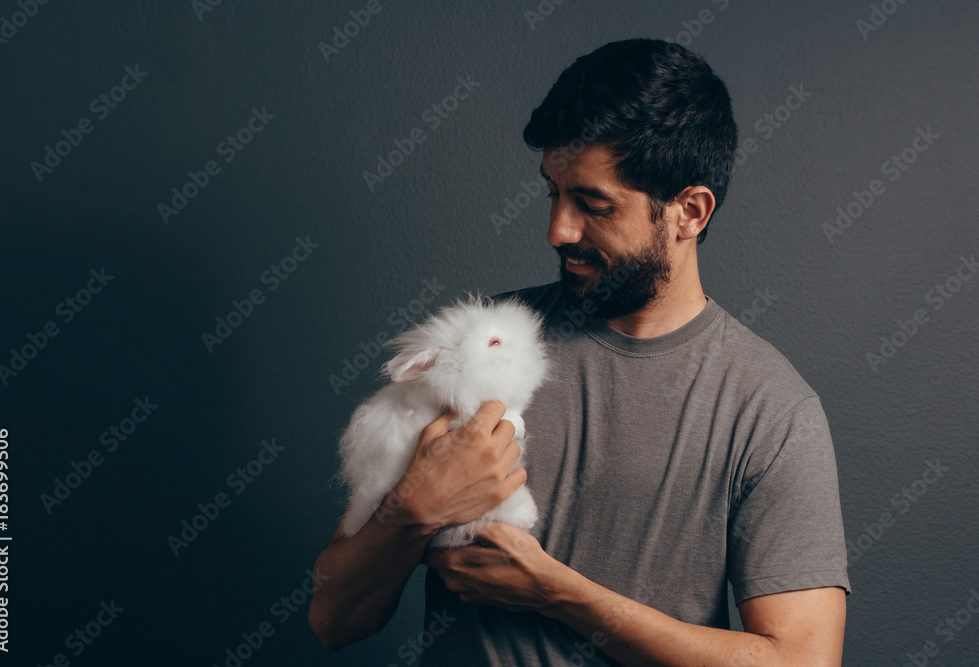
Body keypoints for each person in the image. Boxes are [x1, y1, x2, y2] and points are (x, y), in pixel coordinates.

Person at [309, 38, 850, 666]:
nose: (557, 231)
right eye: (552, 193)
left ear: (689, 212)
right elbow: (333, 621)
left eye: (592, 205)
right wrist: (412, 511)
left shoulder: (770, 409)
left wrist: (559, 594)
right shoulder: (479, 348)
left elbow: (802, 660)